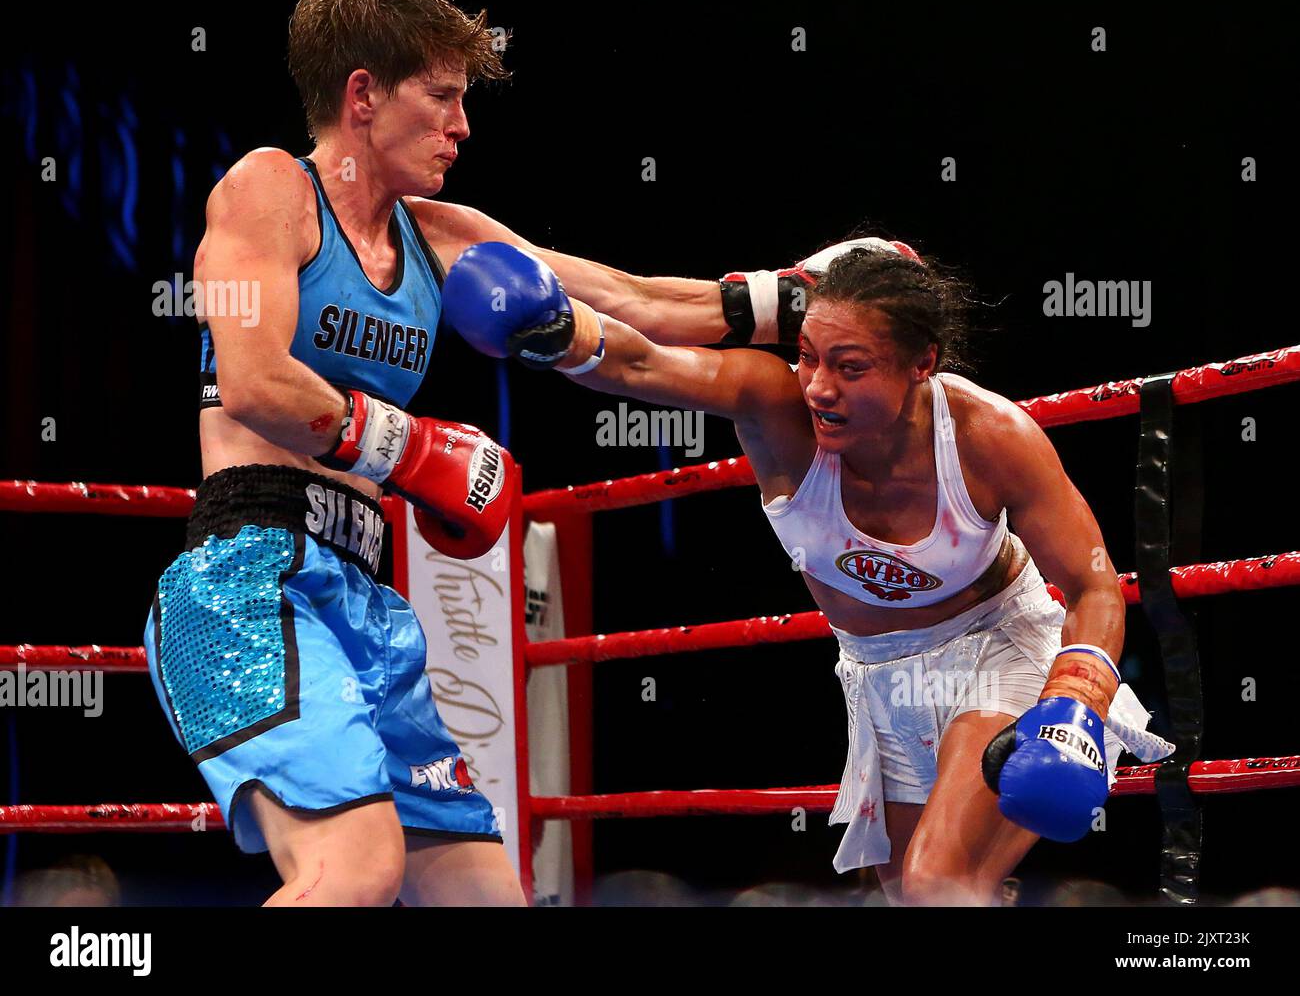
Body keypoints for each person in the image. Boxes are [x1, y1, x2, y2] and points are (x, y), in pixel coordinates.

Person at [140, 0, 741, 907]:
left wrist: (800, 296)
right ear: (364, 95)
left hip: (367, 603)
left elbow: (633, 305)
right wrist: (416, 452)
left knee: (483, 896)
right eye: (445, 99)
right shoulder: (270, 192)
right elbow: (255, 380)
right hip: (253, 582)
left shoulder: (442, 239)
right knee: (355, 868)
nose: (463, 128)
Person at [436, 240, 1176, 906]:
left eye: (850, 367)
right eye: (809, 356)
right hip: (880, 673)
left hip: (999, 646)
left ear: (923, 363)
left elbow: (1092, 584)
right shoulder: (776, 409)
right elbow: (643, 361)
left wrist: (1073, 707)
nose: (819, 385)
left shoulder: (989, 437)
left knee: (936, 883)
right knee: (941, 893)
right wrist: (559, 334)